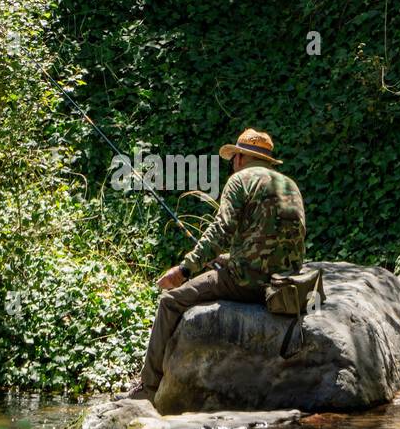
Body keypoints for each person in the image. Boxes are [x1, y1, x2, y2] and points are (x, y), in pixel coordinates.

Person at [120, 128, 306, 403]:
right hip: (284, 283)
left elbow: (222, 229)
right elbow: (280, 238)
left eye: (234, 157)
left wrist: (184, 270)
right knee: (218, 269)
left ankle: (147, 389)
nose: (232, 163)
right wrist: (231, 258)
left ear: (242, 158)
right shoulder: (289, 184)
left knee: (170, 302)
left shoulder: (239, 181)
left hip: (247, 283)